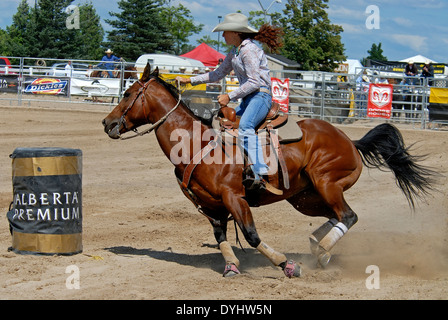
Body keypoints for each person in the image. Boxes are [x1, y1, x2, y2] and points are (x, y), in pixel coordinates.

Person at [176, 13, 282, 190]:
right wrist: (190, 80)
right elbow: (217, 74)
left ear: (235, 32)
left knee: (246, 125)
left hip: (260, 96)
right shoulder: (235, 52)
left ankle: (260, 173)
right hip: (250, 98)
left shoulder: (248, 51)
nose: (223, 35)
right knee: (227, 127)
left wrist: (229, 96)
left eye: (225, 32)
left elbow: (255, 82)